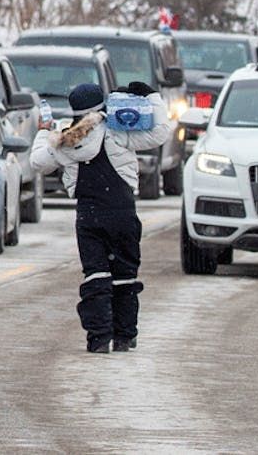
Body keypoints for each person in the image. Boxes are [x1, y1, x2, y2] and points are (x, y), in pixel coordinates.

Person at [30, 81, 171, 354]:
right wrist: (151, 96)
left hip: (88, 216)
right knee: (125, 276)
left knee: (95, 275)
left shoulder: (64, 141)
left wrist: (44, 131)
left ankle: (98, 338)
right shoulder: (118, 132)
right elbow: (160, 132)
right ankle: (123, 336)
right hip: (122, 213)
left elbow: (37, 162)